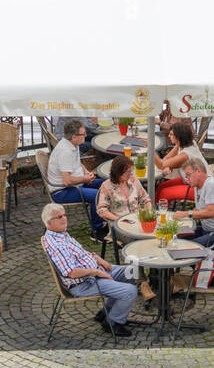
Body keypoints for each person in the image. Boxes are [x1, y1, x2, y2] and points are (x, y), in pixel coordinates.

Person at [42, 203, 139, 337]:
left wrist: (97, 258)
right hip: (84, 283)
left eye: (64, 215)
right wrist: (97, 272)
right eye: (59, 217)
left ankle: (107, 312)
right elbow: (72, 272)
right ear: (49, 222)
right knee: (130, 291)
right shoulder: (57, 244)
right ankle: (113, 322)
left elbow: (80, 253)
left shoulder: (60, 233)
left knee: (132, 272)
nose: (64, 218)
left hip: (94, 271)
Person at [47, 118, 107, 238]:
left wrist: (86, 172)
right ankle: (97, 229)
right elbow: (67, 181)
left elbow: (77, 163)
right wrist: (85, 179)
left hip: (76, 183)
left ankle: (107, 216)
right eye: (83, 134)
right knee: (98, 195)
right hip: (62, 191)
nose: (85, 135)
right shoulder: (65, 152)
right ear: (74, 136)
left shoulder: (72, 144)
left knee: (107, 184)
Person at [180, 160, 214, 249]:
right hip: (207, 229)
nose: (187, 179)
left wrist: (187, 214)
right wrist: (183, 219)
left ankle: (191, 262)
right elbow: (199, 210)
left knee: (186, 248)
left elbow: (210, 213)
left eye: (188, 175)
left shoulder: (211, 185)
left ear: (198, 171)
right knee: (176, 238)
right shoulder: (197, 186)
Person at [153, 119, 207, 203]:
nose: (168, 136)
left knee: (164, 193)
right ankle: (155, 210)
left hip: (201, 189)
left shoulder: (185, 155)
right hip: (190, 180)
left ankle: (162, 214)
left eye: (171, 134)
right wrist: (169, 165)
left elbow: (161, 165)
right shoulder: (185, 143)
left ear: (178, 137)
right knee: (161, 186)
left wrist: (150, 148)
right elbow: (166, 159)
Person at [96, 155, 148, 225]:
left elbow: (146, 199)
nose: (130, 174)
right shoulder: (106, 186)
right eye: (127, 172)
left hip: (138, 221)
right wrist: (119, 220)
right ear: (118, 173)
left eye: (131, 171)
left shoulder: (134, 180)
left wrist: (148, 214)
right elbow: (102, 210)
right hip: (120, 225)